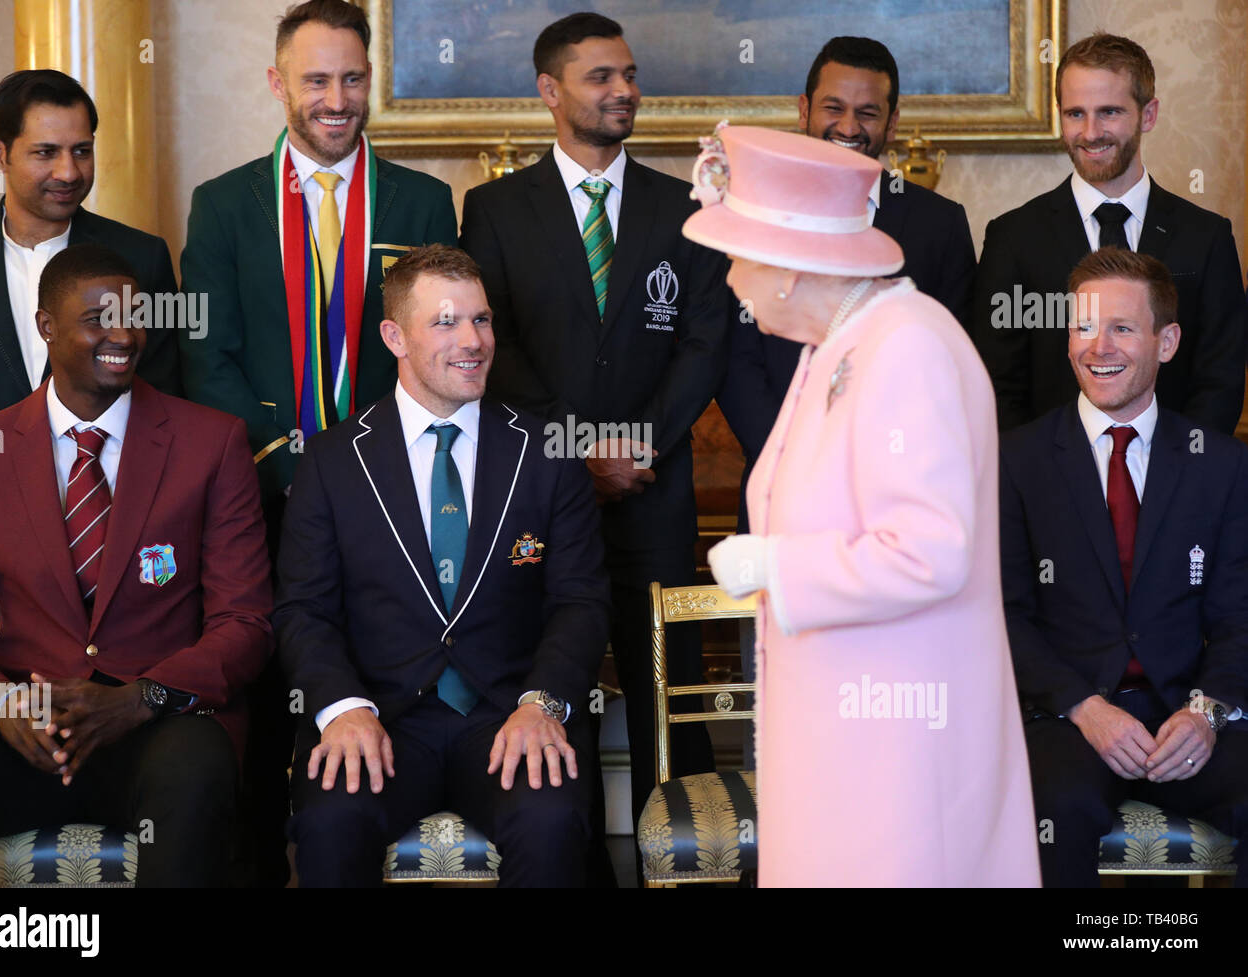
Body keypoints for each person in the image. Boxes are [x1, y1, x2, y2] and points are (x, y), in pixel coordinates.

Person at [691, 124, 1040, 886]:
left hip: (900, 745)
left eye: (736, 258)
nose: (729, 281)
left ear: (785, 269)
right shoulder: (840, 343)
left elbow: (929, 549)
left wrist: (776, 562)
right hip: (846, 731)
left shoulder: (905, 345)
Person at [178, 0, 457, 885]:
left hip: (391, 497)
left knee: (385, 669)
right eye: (316, 80)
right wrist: (292, 469)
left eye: (353, 78)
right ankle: (264, 862)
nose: (336, 99)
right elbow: (207, 359)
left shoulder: (422, 199)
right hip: (260, 498)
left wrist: (350, 477)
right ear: (277, 84)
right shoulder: (223, 205)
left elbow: (439, 358)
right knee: (265, 696)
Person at [459, 12, 728, 847]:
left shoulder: (685, 206)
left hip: (657, 496)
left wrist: (636, 449)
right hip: (542, 496)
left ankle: (678, 864)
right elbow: (492, 348)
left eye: (630, 74)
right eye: (601, 77)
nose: (625, 91)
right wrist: (580, 455)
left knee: (666, 706)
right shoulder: (496, 208)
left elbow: (703, 342)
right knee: (554, 684)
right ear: (550, 91)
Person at [275, 245, 608, 887]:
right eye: (447, 322)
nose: (474, 341)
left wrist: (543, 703)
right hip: (378, 716)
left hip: (510, 714)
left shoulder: (548, 452)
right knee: (329, 823)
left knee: (552, 820)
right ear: (394, 336)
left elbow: (580, 602)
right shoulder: (332, 460)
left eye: (481, 321)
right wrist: (342, 709)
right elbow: (303, 609)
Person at [0, 244, 273, 887]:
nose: (123, 334)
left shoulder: (212, 441)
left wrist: (141, 700)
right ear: (47, 326)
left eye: (134, 314)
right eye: (99, 317)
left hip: (159, 727)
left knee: (197, 769)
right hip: (27, 729)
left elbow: (246, 624)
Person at [714, 37, 979, 761]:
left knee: (879, 744)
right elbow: (734, 357)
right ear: (804, 109)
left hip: (889, 526)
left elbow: (947, 381)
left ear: (893, 120)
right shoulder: (764, 221)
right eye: (833, 106)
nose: (850, 125)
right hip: (776, 492)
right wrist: (800, 453)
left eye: (869, 112)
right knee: (778, 732)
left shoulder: (936, 226)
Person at [999, 248, 1248, 887]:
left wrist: (1204, 713)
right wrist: (1086, 708)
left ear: (1167, 342)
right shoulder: (1015, 462)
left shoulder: (1221, 465)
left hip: (1183, 714)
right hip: (1066, 719)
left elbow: (1239, 616)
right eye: (1083, 326)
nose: (1096, 346)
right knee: (1053, 811)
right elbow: (1004, 614)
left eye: (1121, 328)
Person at [971, 32, 1245, 434]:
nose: (1091, 132)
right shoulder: (1012, 238)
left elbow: (1220, 379)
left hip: (1179, 480)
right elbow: (997, 385)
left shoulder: (1207, 237)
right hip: (1050, 483)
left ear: (1148, 115)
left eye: (1110, 112)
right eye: (1075, 113)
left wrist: (1181, 478)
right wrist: (1040, 479)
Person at [0, 69, 179, 431]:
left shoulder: (143, 256)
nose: (69, 172)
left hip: (105, 478)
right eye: (46, 153)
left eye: (82, 152)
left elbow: (165, 401)